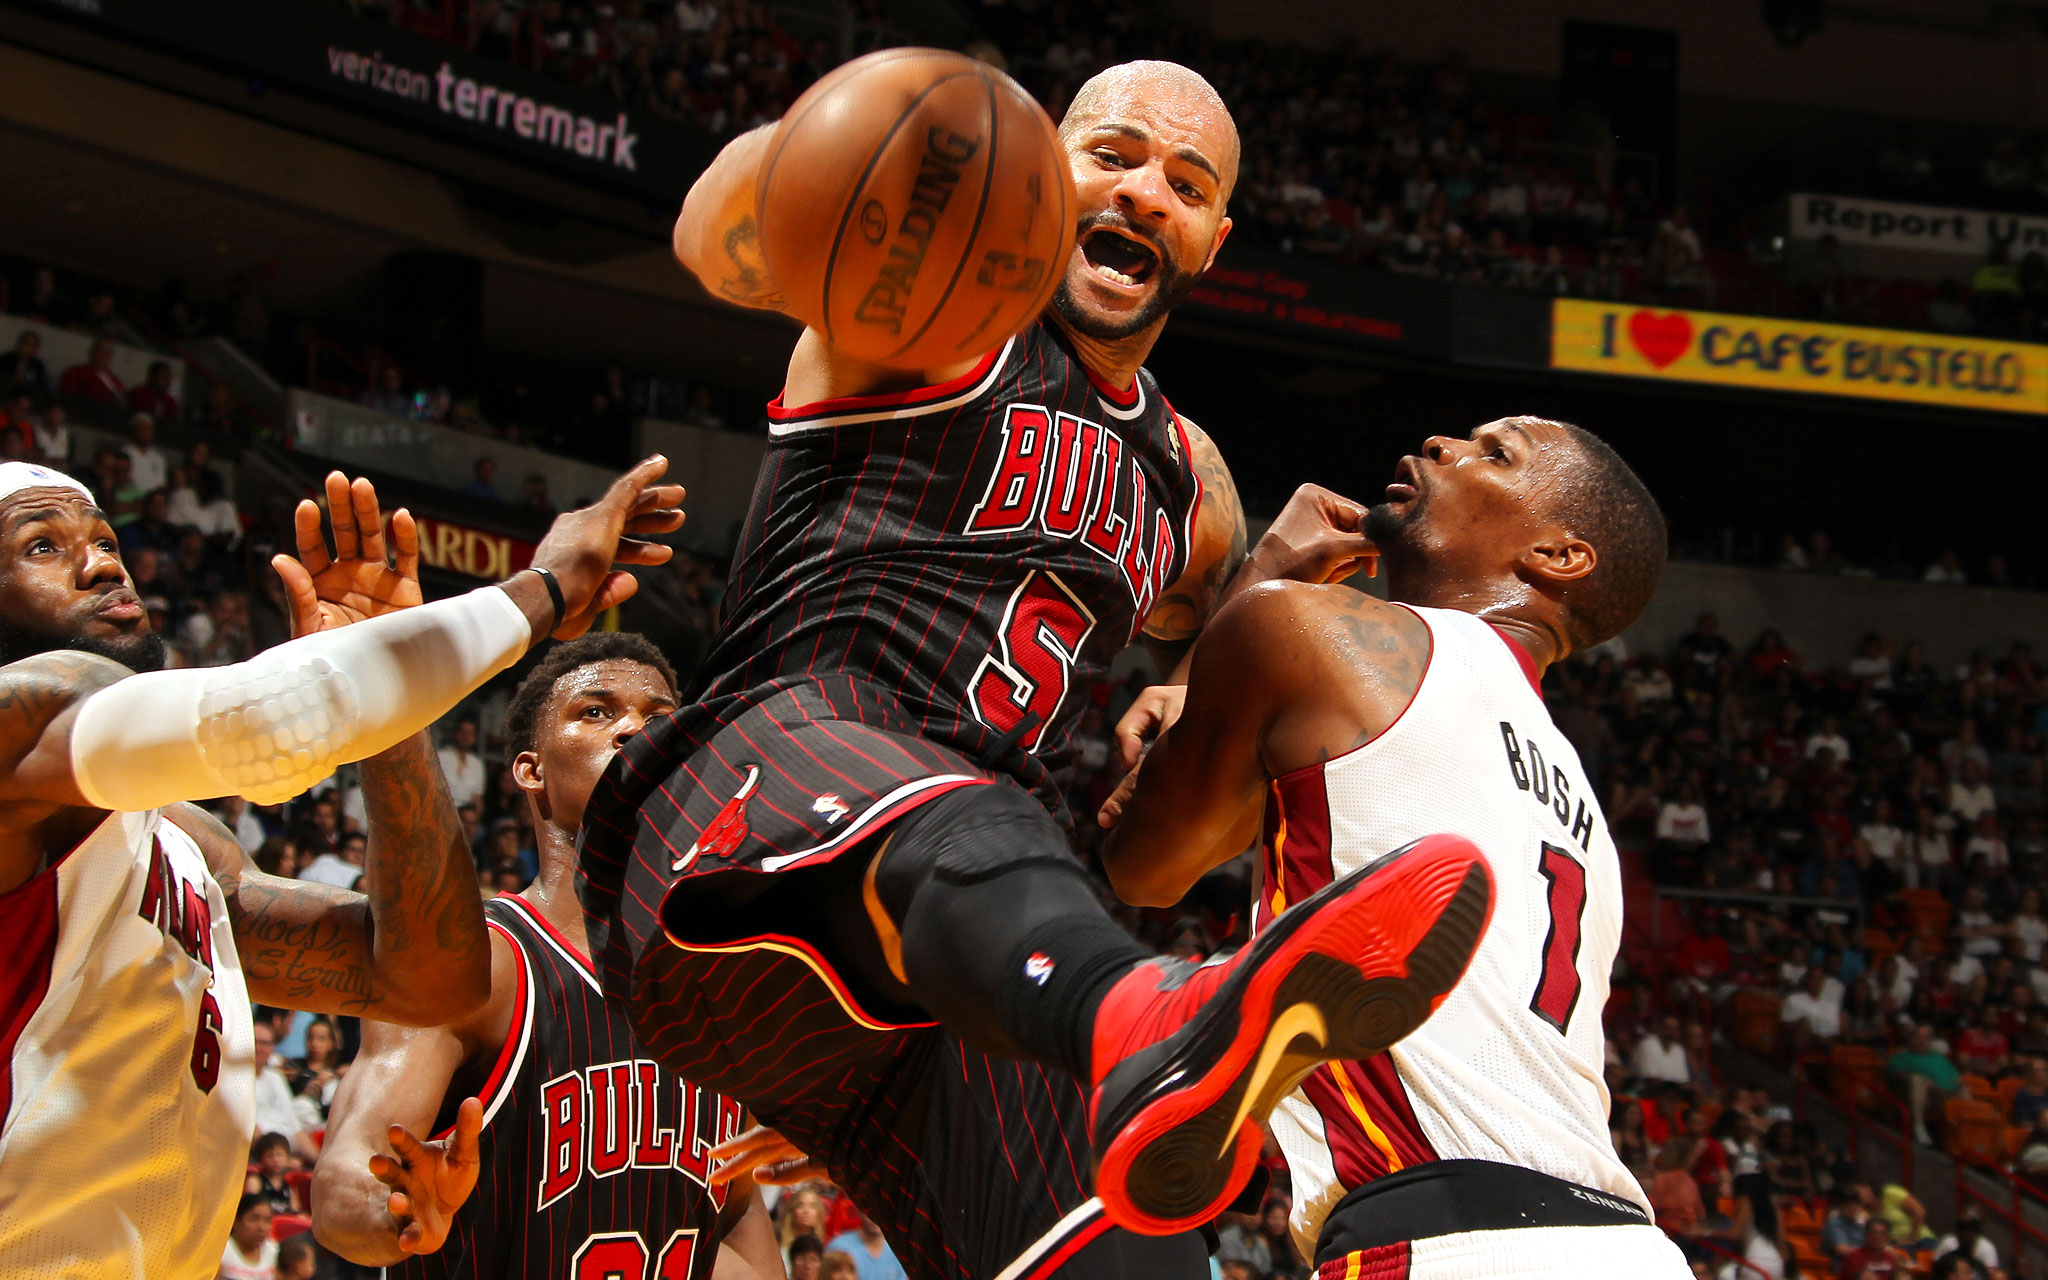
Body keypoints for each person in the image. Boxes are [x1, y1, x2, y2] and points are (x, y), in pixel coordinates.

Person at [591, 57, 1480, 1275]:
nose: (1145, 193)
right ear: (1043, 168)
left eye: (1185, 181)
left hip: (943, 965)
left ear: (1214, 240)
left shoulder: (1192, 480)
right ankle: (1145, 1015)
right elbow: (719, 238)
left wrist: (1228, 628)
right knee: (973, 828)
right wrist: (885, 138)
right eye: (1111, 155)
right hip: (743, 823)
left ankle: (1119, 1019)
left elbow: (1190, 628)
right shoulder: (922, 313)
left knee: (1130, 1245)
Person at [0, 459, 681, 1275]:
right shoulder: (16, 720)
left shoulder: (184, 846)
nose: (104, 562)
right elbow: (266, 722)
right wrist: (544, 589)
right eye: (43, 545)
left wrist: (391, 721)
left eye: (106, 539)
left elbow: (429, 983)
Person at [1093, 415, 1688, 1277]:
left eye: (1495, 454)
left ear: (1560, 557)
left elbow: (1147, 867)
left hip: (1450, 1237)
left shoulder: (1316, 633)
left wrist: (1258, 576)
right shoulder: (1577, 799)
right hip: (1623, 1243)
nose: (1444, 446)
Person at [314, 634, 780, 1278]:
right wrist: (395, 1209)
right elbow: (345, 1180)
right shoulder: (485, 962)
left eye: (660, 717)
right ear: (531, 772)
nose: (632, 732)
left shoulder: (718, 987)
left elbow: (732, 1210)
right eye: (595, 712)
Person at [826, 1211, 908, 1280]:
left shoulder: (898, 1251)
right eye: (871, 1213)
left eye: (881, 1213)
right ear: (860, 1212)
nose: (875, 1219)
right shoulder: (839, 1247)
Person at [220, 1193, 279, 1280]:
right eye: (253, 1219)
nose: (261, 1227)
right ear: (235, 1222)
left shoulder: (275, 1252)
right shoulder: (221, 1253)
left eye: (267, 1220)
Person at [435, 717, 487, 811]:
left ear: (475, 738)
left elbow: (477, 798)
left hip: (466, 814)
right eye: (463, 732)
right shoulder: (441, 756)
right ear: (455, 734)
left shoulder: (477, 764)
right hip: (442, 809)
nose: (466, 736)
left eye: (470, 733)